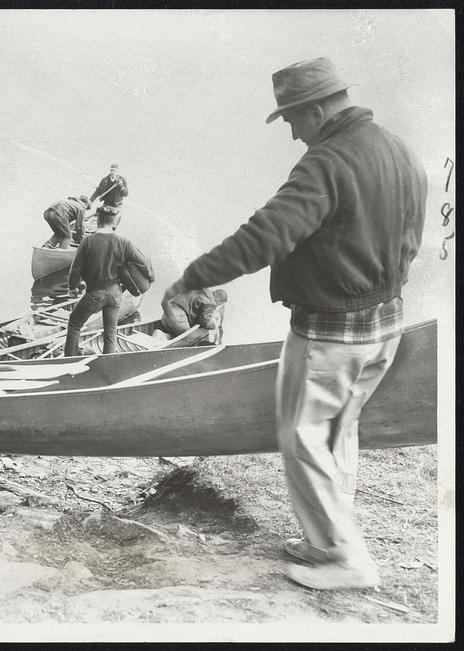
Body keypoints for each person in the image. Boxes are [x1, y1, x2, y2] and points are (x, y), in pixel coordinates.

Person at [162, 58, 427, 590]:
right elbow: (412, 230)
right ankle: (328, 540)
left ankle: (345, 558)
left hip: (332, 330)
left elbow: (265, 236)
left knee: (302, 435)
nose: (291, 132)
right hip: (385, 323)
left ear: (315, 109)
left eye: (290, 119)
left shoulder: (326, 163)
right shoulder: (397, 149)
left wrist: (193, 278)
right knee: (337, 431)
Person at [65, 209, 154, 356]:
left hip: (94, 294)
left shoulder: (87, 241)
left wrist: (72, 287)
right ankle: (108, 362)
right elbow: (143, 262)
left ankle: (69, 361)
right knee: (110, 331)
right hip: (115, 294)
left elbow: (75, 270)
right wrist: (150, 277)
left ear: (98, 220)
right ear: (115, 223)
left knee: (74, 323)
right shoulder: (123, 241)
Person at [161, 288, 228, 336]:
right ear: (218, 300)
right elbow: (205, 320)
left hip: (167, 313)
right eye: (219, 304)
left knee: (175, 331)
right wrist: (213, 326)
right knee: (187, 336)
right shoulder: (210, 302)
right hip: (178, 316)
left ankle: (162, 334)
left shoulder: (204, 291)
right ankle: (164, 337)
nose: (217, 306)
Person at [90, 163, 128, 228]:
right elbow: (98, 191)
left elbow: (126, 194)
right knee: (101, 219)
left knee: (114, 224)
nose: (112, 172)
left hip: (117, 205)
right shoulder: (105, 180)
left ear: (118, 172)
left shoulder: (122, 180)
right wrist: (91, 201)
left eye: (114, 171)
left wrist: (121, 186)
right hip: (107, 203)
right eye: (111, 170)